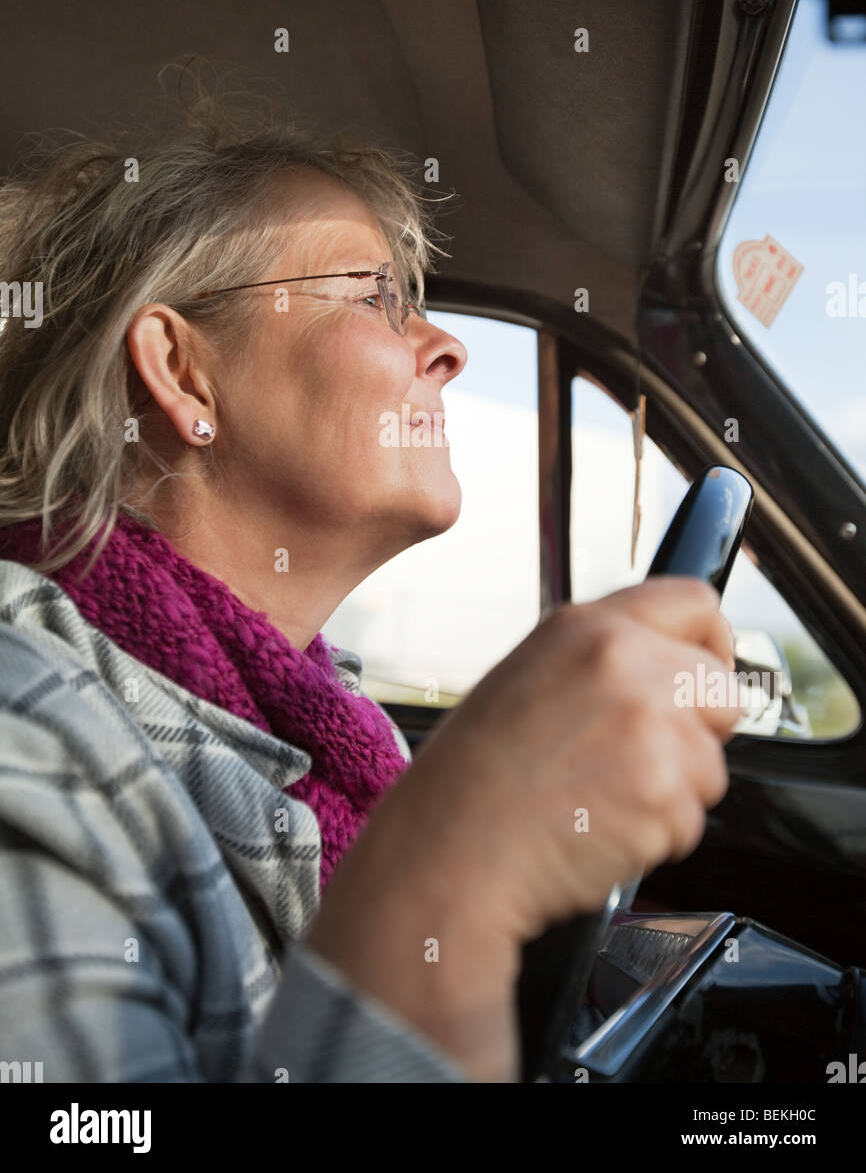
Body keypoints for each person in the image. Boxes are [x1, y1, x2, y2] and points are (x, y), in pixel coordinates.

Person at [0, 69, 739, 1083]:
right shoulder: (26, 730)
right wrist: (445, 873)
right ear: (180, 370)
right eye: (376, 297)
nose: (444, 351)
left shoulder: (335, 724)